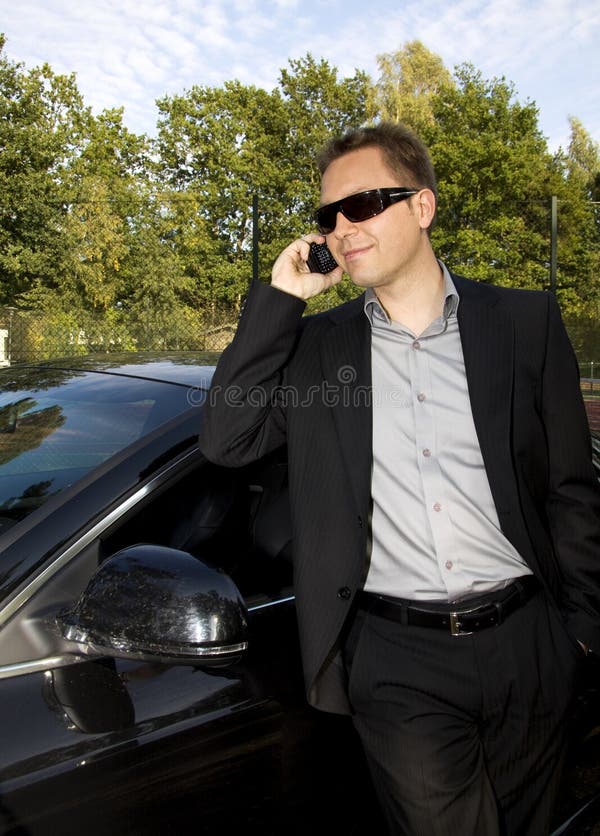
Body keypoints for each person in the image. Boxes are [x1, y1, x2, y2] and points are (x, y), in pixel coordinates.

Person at [199, 122, 600, 835]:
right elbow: (228, 438)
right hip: (397, 658)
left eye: (362, 204)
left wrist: (580, 633)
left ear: (423, 206)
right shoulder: (317, 350)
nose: (342, 228)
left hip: (531, 639)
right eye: (329, 214)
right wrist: (283, 297)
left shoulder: (524, 322)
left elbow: (570, 490)